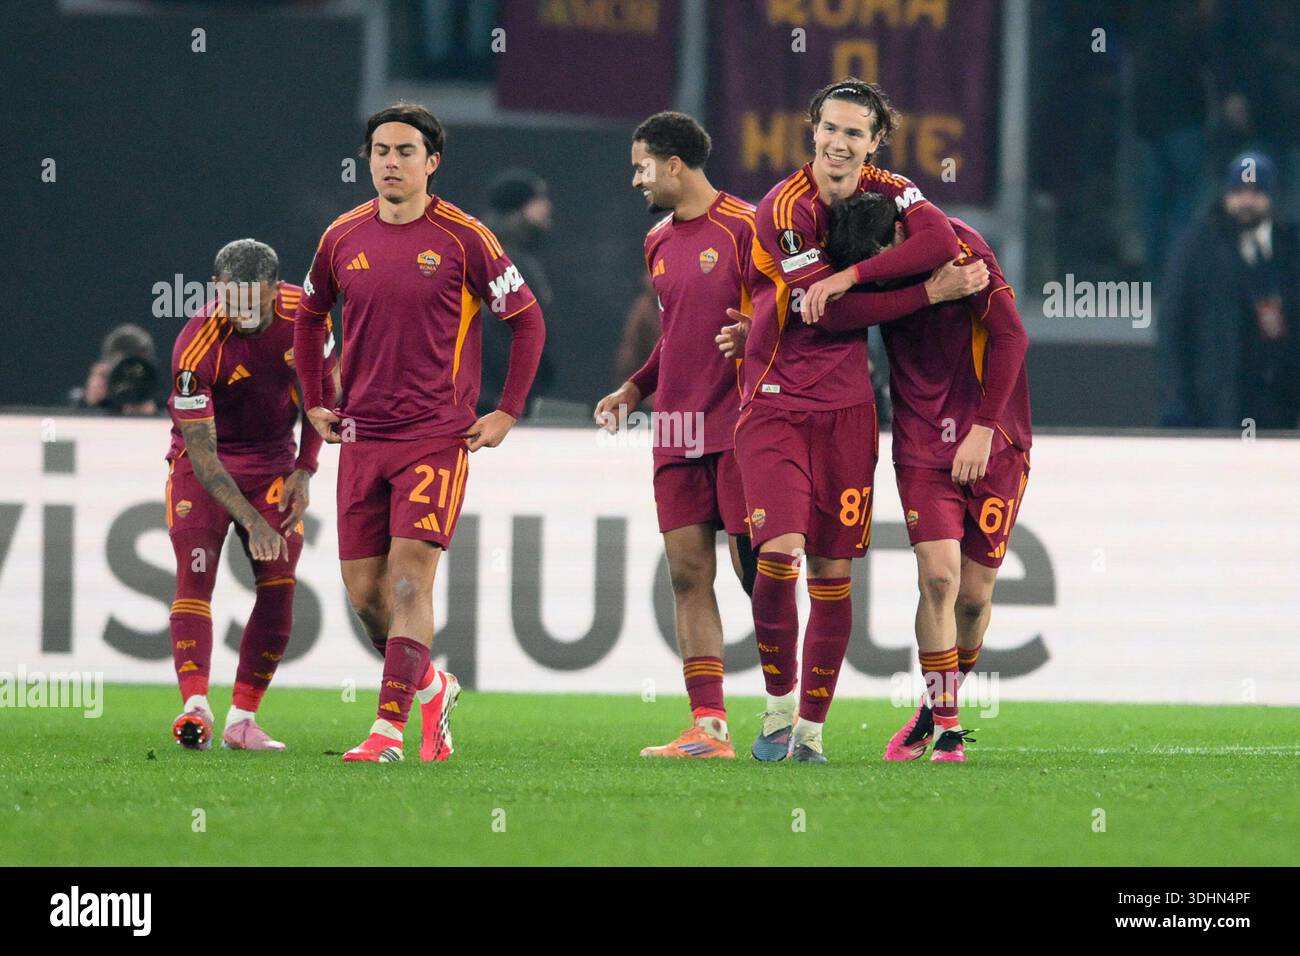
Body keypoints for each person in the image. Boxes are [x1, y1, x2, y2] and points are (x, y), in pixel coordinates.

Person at [721, 78, 987, 763]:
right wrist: (925, 293)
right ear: (812, 129)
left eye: (853, 134)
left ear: (873, 143)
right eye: (829, 129)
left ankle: (812, 731)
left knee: (833, 573)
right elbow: (824, 312)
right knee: (777, 557)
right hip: (776, 403)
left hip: (848, 411)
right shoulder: (782, 208)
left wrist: (854, 275)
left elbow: (935, 238)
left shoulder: (888, 185)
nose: (838, 144)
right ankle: (778, 709)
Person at [293, 102, 546, 763]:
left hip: (437, 434)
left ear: (432, 163)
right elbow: (308, 315)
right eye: (380, 150)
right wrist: (315, 399)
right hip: (361, 437)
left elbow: (527, 321)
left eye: (405, 151)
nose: (391, 162)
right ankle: (433, 685)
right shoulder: (341, 237)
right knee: (364, 597)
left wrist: (507, 410)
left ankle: (385, 733)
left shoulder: (466, 238)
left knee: (409, 583)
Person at [818, 192, 1032, 763]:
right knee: (938, 581)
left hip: (996, 440)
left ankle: (932, 707)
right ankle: (949, 730)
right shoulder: (865, 271)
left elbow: (1011, 337)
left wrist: (985, 428)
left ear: (899, 235)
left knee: (974, 597)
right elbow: (834, 314)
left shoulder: (961, 247)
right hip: (920, 443)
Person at [593, 111, 757, 759]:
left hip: (742, 429)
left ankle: (792, 711)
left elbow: (789, 320)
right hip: (677, 429)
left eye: (641, 167)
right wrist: (635, 388)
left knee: (759, 578)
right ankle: (709, 727)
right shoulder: (657, 240)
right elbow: (677, 334)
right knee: (688, 576)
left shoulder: (749, 227)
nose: (637, 180)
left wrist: (755, 337)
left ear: (674, 165)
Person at [166, 239, 338, 751]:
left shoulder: (309, 319)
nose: (242, 314)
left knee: (280, 582)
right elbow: (203, 457)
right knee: (196, 573)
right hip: (204, 466)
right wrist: (254, 522)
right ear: (216, 289)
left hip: (273, 465)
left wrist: (306, 469)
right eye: (231, 301)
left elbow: (323, 399)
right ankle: (195, 709)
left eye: (254, 304)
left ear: (274, 290)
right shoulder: (194, 349)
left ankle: (243, 720)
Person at [1158, 152, 1299, 429]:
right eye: (1238, 192)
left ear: (1272, 195)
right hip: (1216, 401)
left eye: (1256, 192)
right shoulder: (1197, 247)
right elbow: (1173, 323)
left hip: (1279, 402)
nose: (1246, 201)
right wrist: (1174, 392)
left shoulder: (1290, 247)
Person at [482, 168, 556, 410]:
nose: (547, 207)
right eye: (539, 199)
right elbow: (495, 334)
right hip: (492, 403)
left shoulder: (504, 253)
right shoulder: (500, 259)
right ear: (518, 207)